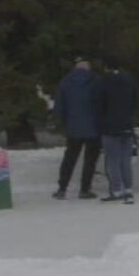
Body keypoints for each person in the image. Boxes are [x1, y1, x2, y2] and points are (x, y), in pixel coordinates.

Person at [53, 57, 101, 199]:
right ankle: (85, 189)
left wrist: (63, 123)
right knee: (90, 160)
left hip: (73, 127)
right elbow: (101, 103)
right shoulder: (96, 81)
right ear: (89, 68)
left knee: (69, 158)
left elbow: (59, 106)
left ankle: (62, 188)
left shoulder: (65, 81)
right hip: (94, 127)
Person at [97, 56, 138, 203]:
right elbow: (134, 100)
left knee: (113, 160)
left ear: (106, 67)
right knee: (125, 160)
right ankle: (128, 190)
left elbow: (100, 104)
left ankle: (116, 190)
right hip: (127, 125)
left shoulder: (104, 81)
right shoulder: (129, 80)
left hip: (110, 126)